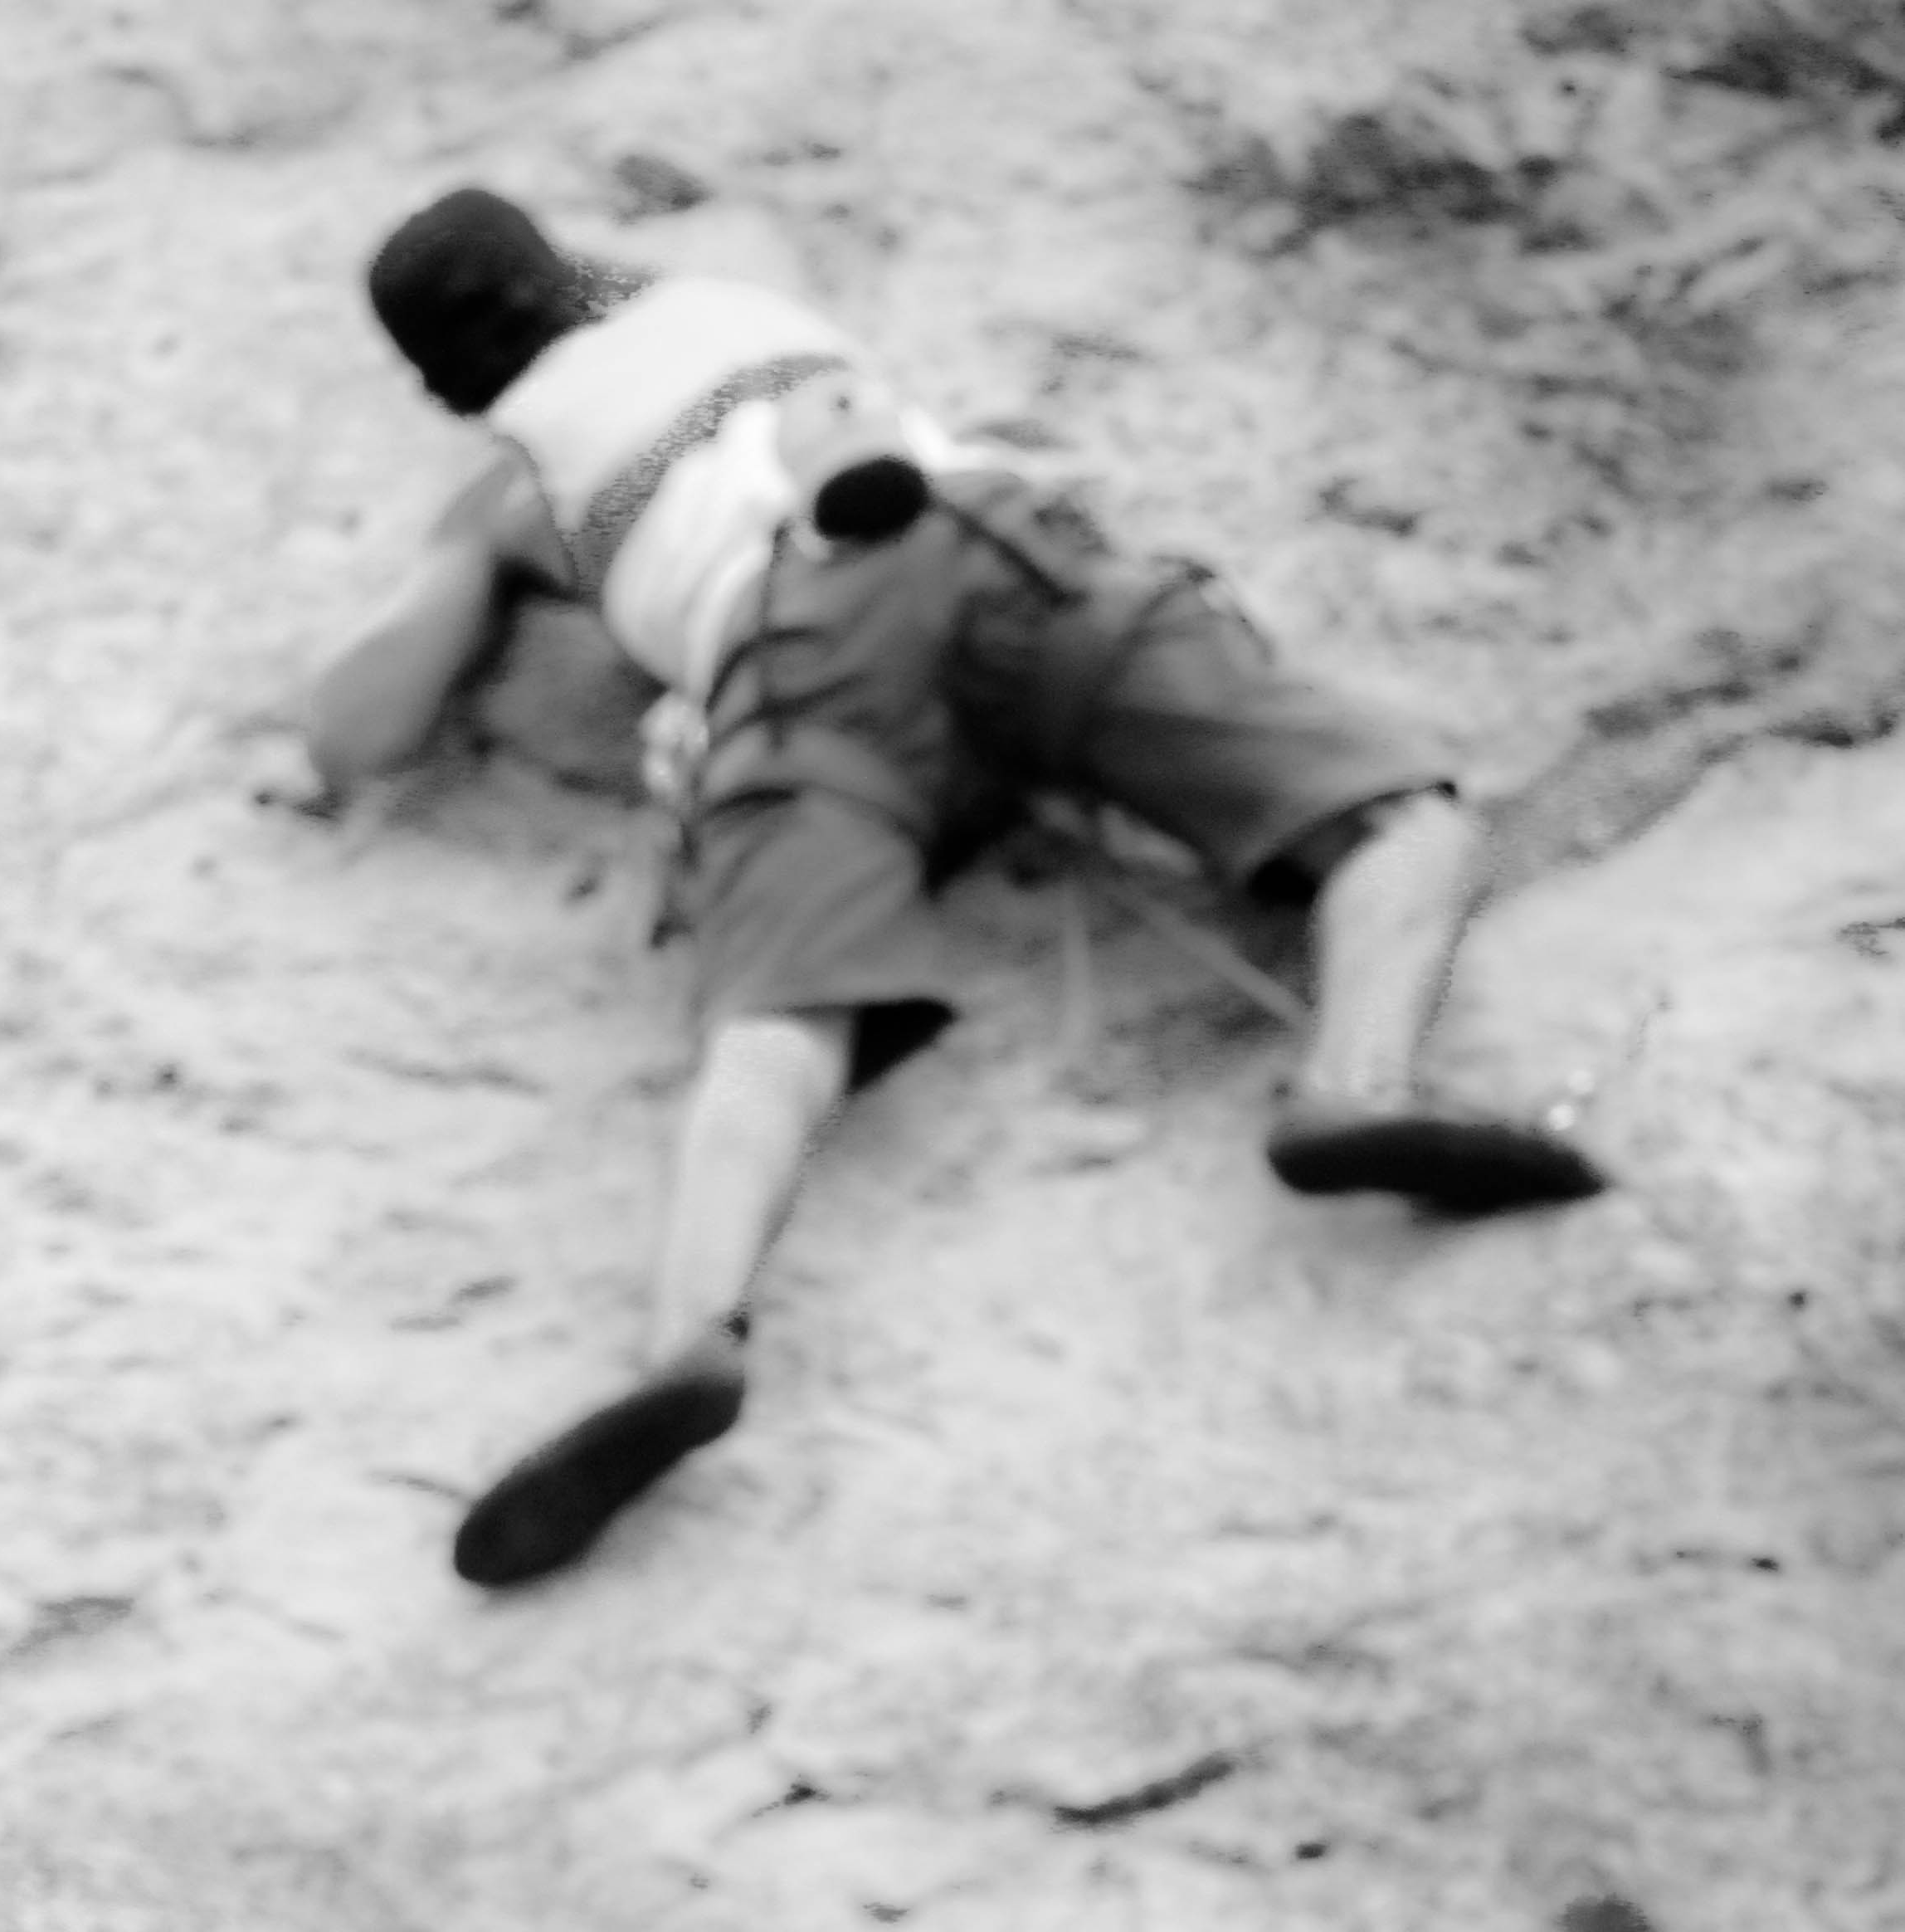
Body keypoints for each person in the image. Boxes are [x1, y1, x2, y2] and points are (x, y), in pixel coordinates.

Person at [298, 188, 1606, 1590]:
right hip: (973, 538)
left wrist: (463, 566)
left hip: (790, 668)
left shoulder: (518, 493)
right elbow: (718, 249)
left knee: (775, 1024)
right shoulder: (739, 302)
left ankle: (690, 1333)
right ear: (568, 274)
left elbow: (358, 728)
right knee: (1399, 818)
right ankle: (1357, 1082)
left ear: (447, 382)